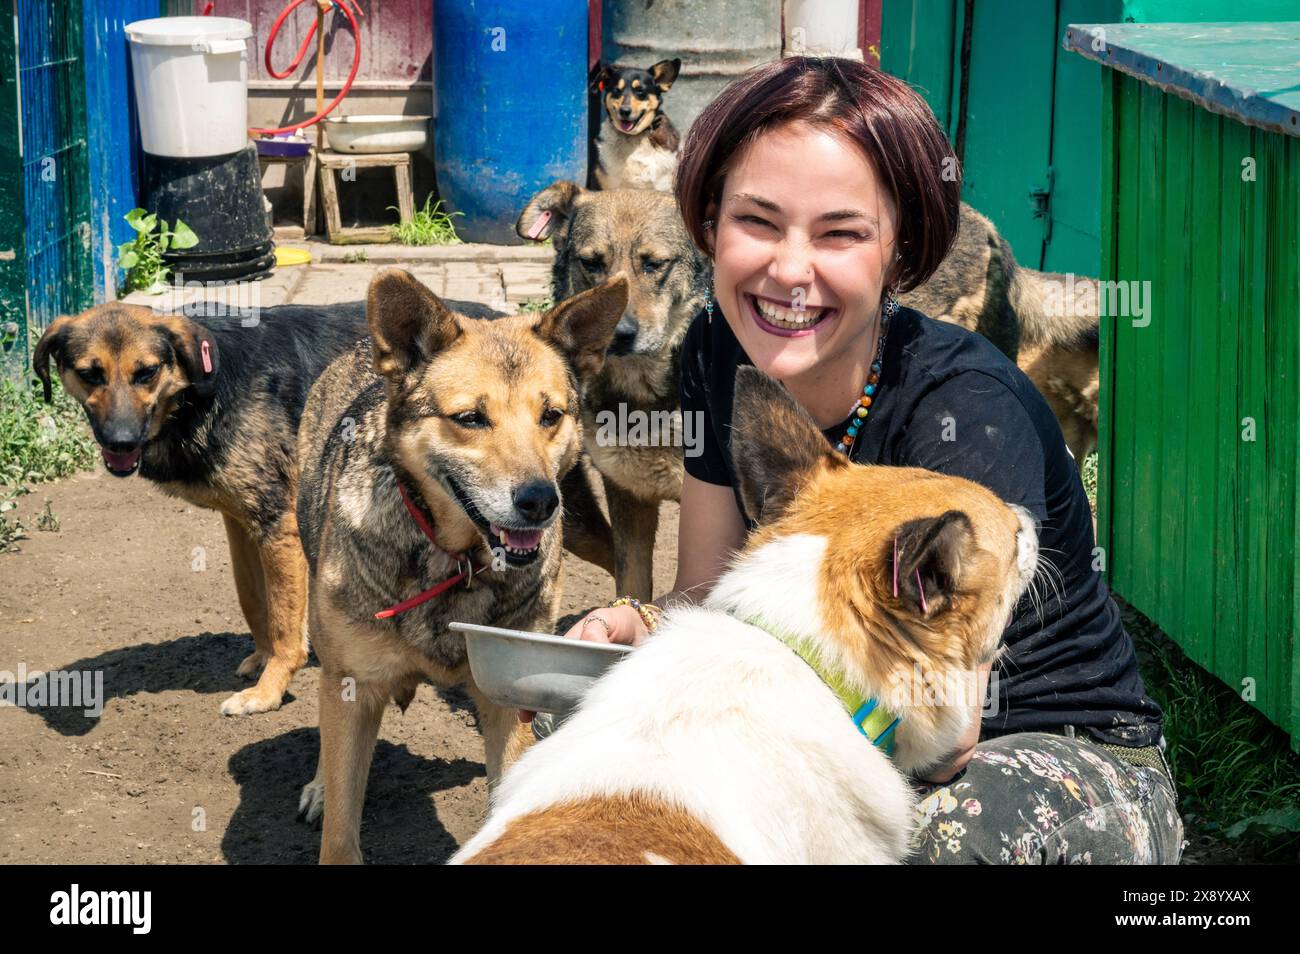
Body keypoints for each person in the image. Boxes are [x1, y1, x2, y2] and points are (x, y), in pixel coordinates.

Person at [529, 56, 1183, 864]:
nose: (789, 270)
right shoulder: (714, 351)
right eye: (757, 222)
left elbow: (942, 736)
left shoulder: (967, 410)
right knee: (589, 716)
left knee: (930, 840)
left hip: (1043, 747)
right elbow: (703, 594)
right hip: (835, 715)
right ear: (707, 228)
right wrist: (643, 627)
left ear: (901, 257)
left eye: (840, 232)